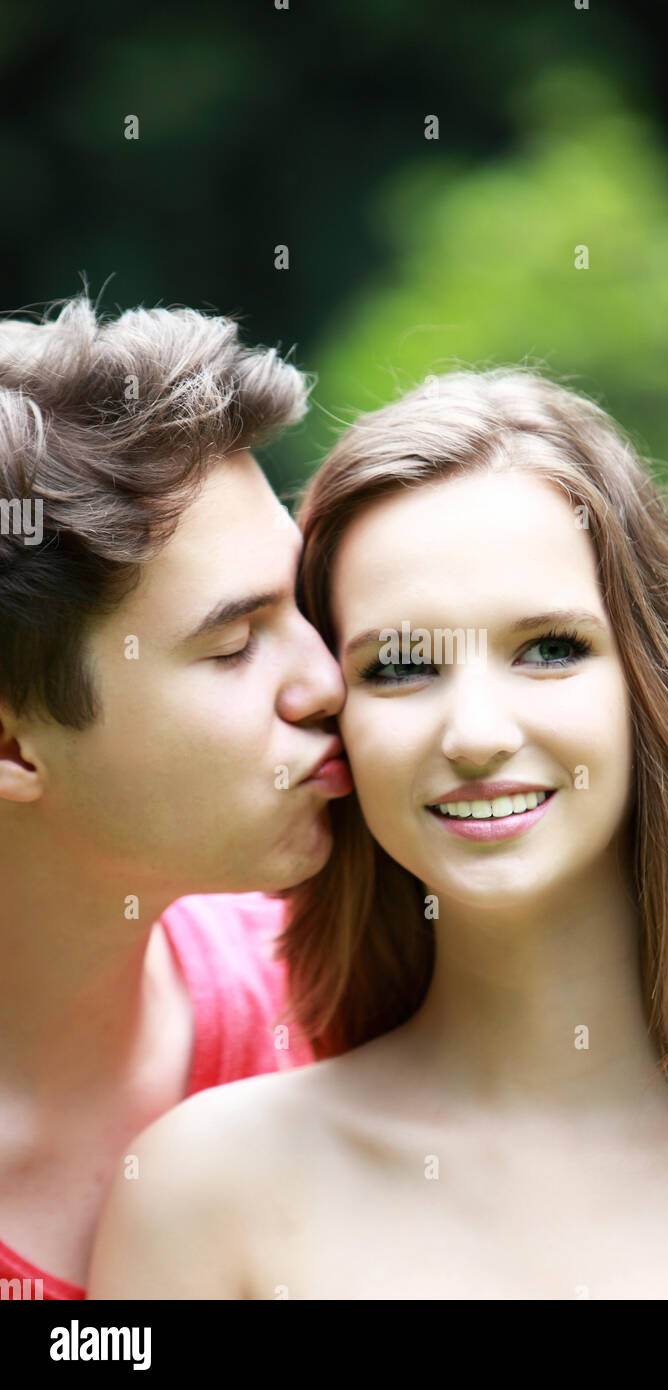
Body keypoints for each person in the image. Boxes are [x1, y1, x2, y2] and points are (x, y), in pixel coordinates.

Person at [87, 368, 668, 1300]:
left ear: (659, 685)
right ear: (335, 717)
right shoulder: (205, 1193)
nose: (477, 735)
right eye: (402, 666)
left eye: (549, 649)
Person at [0, 295, 353, 1299]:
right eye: (236, 644)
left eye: (308, 609)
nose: (325, 681)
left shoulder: (347, 992)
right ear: (12, 741)